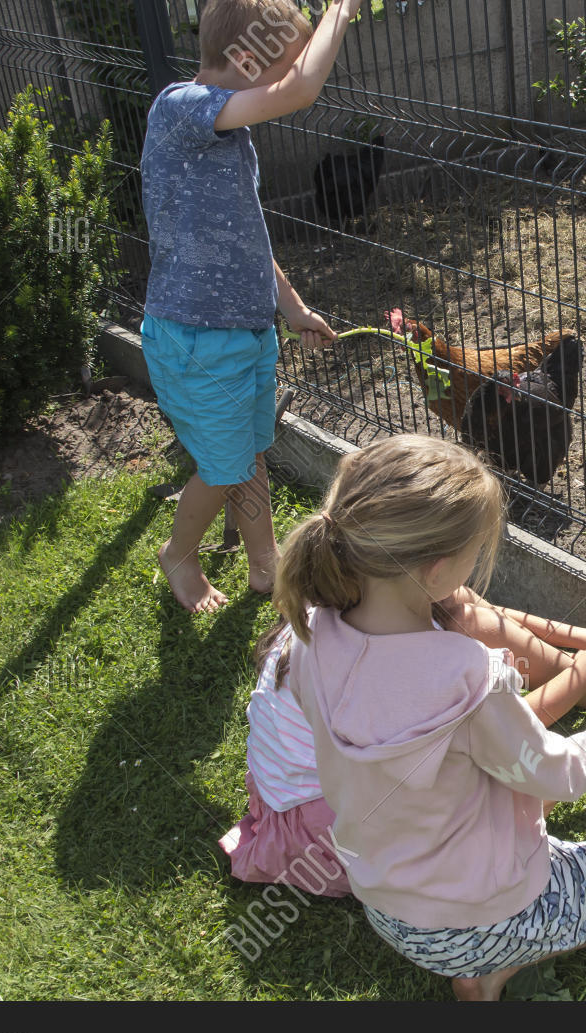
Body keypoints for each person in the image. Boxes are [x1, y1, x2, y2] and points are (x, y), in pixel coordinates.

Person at [275, 433, 586, 1000]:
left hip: (386, 906)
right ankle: (495, 967)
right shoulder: (467, 675)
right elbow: (561, 773)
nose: (479, 563)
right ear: (437, 571)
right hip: (481, 922)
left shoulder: (310, 638)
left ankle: (485, 961)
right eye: (477, 551)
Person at [139, 0, 364, 612]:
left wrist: (291, 308)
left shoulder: (230, 139)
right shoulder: (181, 108)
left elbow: (249, 240)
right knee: (222, 467)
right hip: (193, 339)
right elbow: (301, 91)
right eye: (280, 65)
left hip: (246, 334)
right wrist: (340, 12)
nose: (285, 81)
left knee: (247, 456)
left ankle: (264, 565)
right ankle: (177, 554)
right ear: (243, 58)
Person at [219, 587, 586, 896]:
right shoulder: (401, 669)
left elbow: (468, 608)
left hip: (298, 796)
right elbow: (508, 741)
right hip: (339, 835)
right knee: (498, 775)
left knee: (465, 615)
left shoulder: (352, 600)